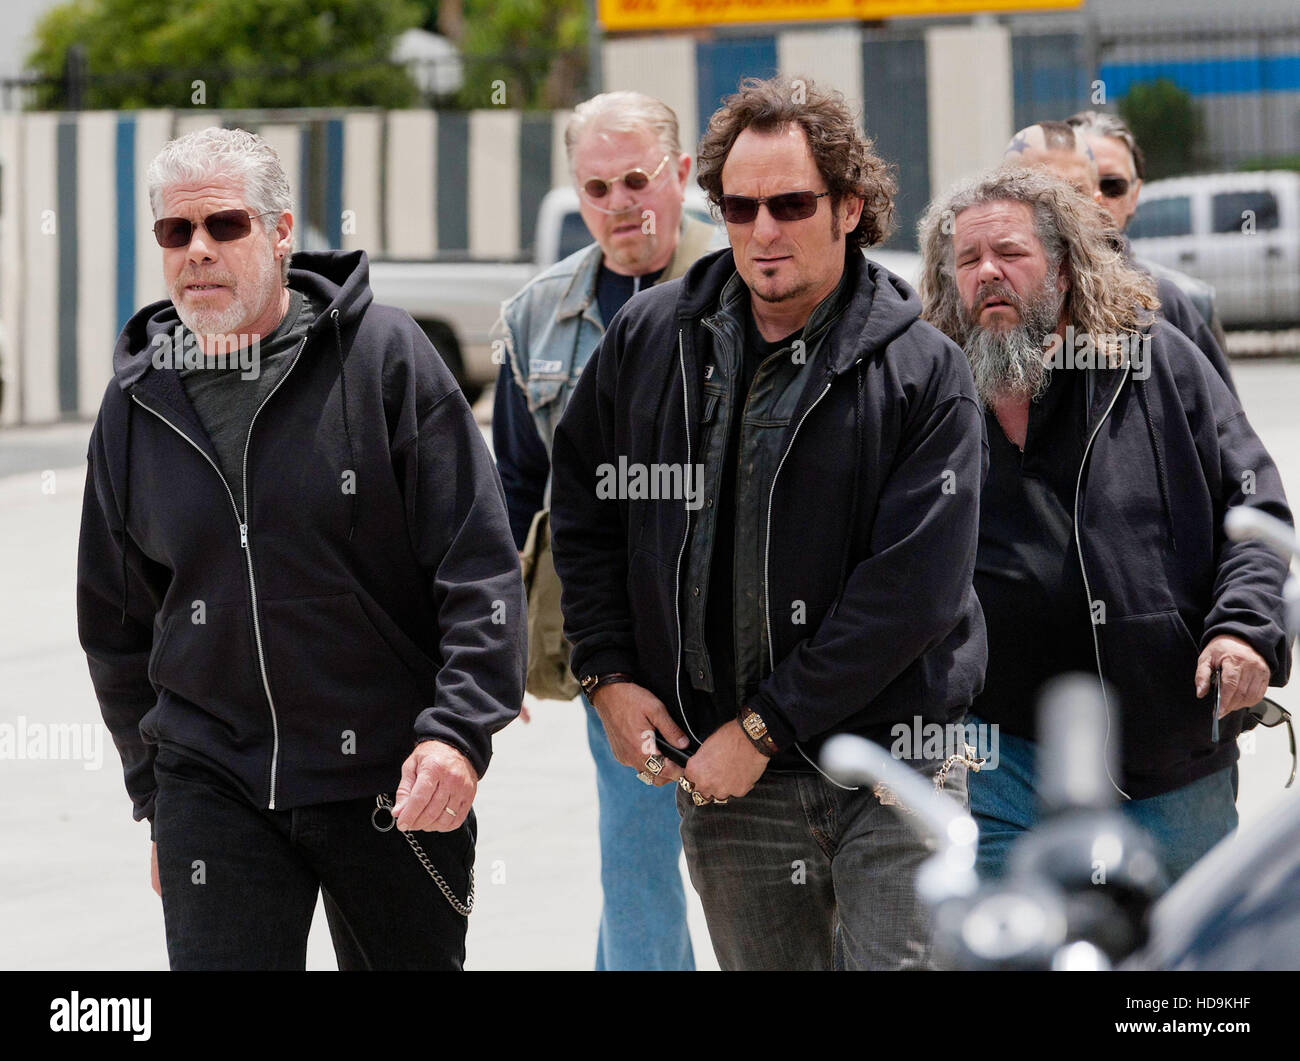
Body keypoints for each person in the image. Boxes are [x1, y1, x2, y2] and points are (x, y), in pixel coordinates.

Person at [550, 75, 988, 970]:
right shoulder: (652, 340)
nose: (762, 230)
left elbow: (914, 590)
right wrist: (605, 670)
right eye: (739, 206)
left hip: (890, 771)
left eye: (791, 203)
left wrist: (764, 727)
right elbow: (585, 507)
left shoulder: (924, 369)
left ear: (850, 208)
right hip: (725, 788)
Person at [77, 127, 524, 970]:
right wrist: (159, 798)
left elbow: (478, 563)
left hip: (392, 778)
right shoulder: (136, 405)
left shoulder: (386, 358)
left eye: (225, 226)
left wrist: (460, 732)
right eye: (177, 232)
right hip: (214, 782)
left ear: (281, 233)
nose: (198, 250)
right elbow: (116, 621)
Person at [918, 165, 1292, 882]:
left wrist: (1243, 626)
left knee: (1180, 975)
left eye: (1011, 254)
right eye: (967, 260)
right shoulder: (933, 394)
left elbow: (1255, 507)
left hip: (1166, 756)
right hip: (994, 760)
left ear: (1061, 269)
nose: (988, 273)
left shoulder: (1156, 363)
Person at [493, 91, 714, 972]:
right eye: (596, 188)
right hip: (612, 639)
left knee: (769, 862)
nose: (620, 204)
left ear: (683, 175)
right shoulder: (538, 316)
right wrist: (497, 642)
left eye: (636, 179)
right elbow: (513, 488)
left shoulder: (751, 279)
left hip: (756, 625)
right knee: (637, 858)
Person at [1006, 119, 1236, 394]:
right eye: (1051, 189)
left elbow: (1218, 425)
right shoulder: (992, 295)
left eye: (1112, 185)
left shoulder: (1180, 302)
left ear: (1134, 195)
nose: (1064, 205)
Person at [1067, 109, 1231, 362]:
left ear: (1134, 194)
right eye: (1077, 186)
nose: (1094, 198)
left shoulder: (1189, 303)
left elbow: (1215, 401)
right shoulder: (1013, 299)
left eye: (1112, 185)